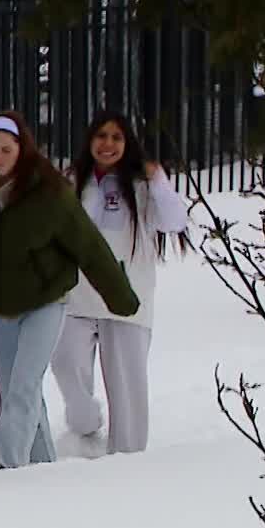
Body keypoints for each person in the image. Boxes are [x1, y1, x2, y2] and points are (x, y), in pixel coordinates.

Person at [0, 112, 139, 470]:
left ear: (21, 149)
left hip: (46, 301)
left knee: (24, 386)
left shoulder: (50, 191)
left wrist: (120, 295)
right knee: (14, 388)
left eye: (6, 149)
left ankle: (7, 465)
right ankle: (43, 466)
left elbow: (88, 246)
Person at [50, 111, 191, 454]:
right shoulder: (71, 181)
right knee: (65, 359)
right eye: (101, 136)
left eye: (116, 137)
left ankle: (127, 459)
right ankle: (84, 422)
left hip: (128, 299)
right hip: (78, 295)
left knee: (128, 387)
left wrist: (158, 181)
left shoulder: (142, 186)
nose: (108, 144)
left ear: (128, 144)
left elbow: (175, 221)